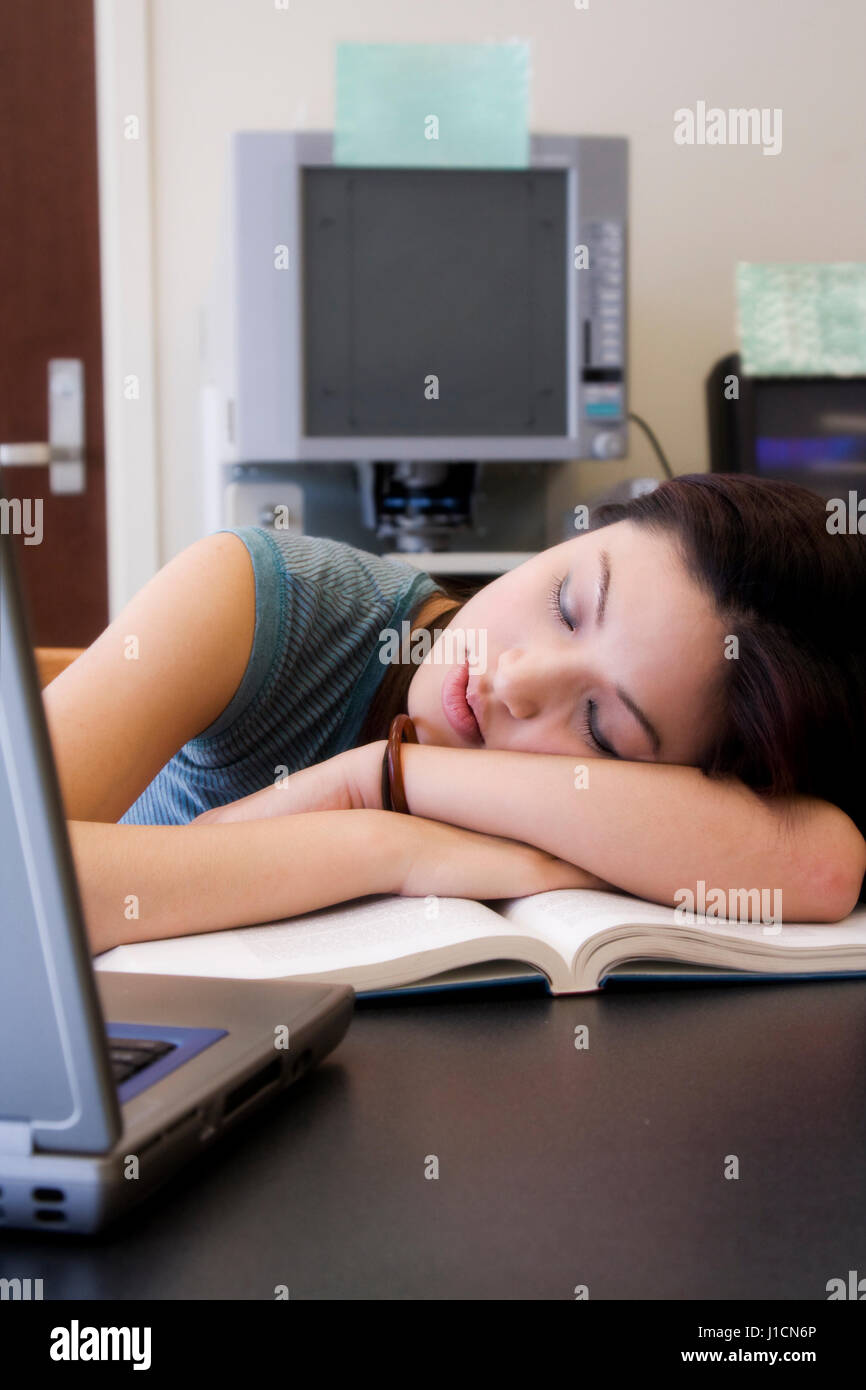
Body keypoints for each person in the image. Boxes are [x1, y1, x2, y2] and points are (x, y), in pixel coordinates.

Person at [44, 473, 866, 955]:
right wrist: (377, 833)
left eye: (599, 730)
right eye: (566, 602)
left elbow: (825, 863)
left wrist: (387, 776)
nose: (516, 679)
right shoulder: (257, 598)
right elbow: (19, 883)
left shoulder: (616, 809)